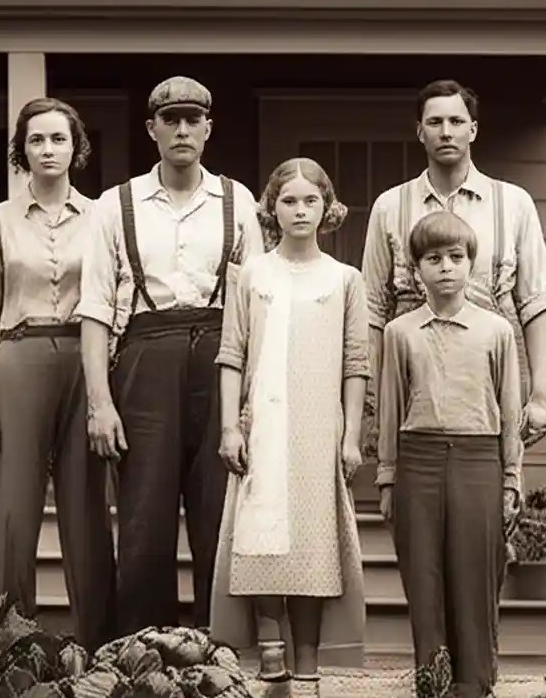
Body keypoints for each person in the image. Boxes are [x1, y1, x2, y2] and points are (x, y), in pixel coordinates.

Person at [78, 76, 264, 636]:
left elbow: (253, 306)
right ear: (151, 129)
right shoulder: (117, 204)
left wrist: (249, 405)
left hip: (218, 357)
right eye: (170, 120)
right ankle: (143, 650)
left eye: (193, 120)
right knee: (143, 515)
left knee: (217, 510)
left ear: (208, 129)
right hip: (144, 356)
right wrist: (99, 404)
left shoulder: (238, 201)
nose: (182, 130)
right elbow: (93, 307)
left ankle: (219, 647)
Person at [209, 158, 369, 696]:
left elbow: (355, 363)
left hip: (319, 427)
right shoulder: (253, 273)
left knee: (311, 546)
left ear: (328, 208)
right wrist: (231, 427)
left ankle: (308, 668)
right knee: (261, 534)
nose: (299, 211)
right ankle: (270, 655)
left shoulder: (345, 279)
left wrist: (349, 438)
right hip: (265, 424)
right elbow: (232, 353)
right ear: (271, 208)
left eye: (310, 201)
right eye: (288, 201)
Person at [0, 97, 116, 651]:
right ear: (21, 151)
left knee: (87, 511)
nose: (48, 149)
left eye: (59, 139)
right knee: (10, 512)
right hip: (19, 358)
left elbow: (114, 300)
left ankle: (99, 647)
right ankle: (7, 648)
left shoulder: (103, 216)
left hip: (87, 359)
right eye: (36, 140)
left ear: (76, 148)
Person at [361, 79, 546, 453]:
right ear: (420, 131)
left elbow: (536, 301)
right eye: (434, 123)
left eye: (456, 121)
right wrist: (373, 402)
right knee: (413, 486)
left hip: (492, 364)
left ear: (474, 129)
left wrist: (540, 396)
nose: (446, 132)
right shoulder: (390, 206)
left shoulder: (513, 203)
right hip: (413, 370)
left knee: (495, 489)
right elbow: (372, 308)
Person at [376, 210, 524, 697]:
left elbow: (508, 410)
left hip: (479, 460)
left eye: (455, 257)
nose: (445, 267)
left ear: (470, 264)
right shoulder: (400, 333)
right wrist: (388, 477)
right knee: (424, 578)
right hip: (418, 460)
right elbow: (392, 407)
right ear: (416, 268)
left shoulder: (496, 332)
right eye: (433, 258)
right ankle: (433, 685)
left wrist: (511, 478)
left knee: (474, 577)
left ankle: (474, 685)